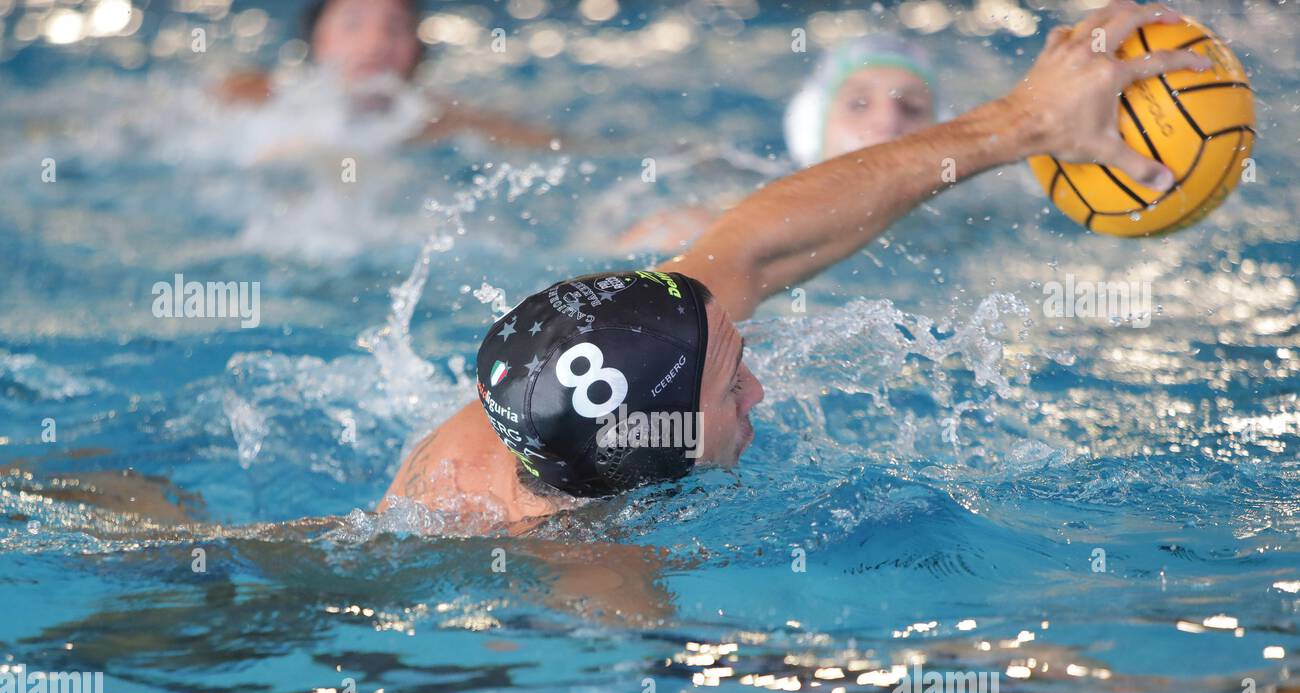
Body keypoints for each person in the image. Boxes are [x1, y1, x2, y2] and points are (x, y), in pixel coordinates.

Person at [383, 2, 1208, 530]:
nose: (762, 392)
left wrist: (1022, 123)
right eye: (731, 382)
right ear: (654, 447)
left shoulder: (537, 410)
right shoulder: (601, 582)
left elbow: (754, 246)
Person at [614, 32, 939, 253]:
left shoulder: (953, 231)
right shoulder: (720, 226)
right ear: (813, 126)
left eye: (911, 108)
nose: (888, 122)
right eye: (858, 104)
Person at [215, 0, 560, 150]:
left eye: (394, 28)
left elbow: (546, 142)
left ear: (416, 53)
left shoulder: (436, 120)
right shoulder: (261, 94)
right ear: (319, 40)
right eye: (353, 24)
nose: (375, 42)